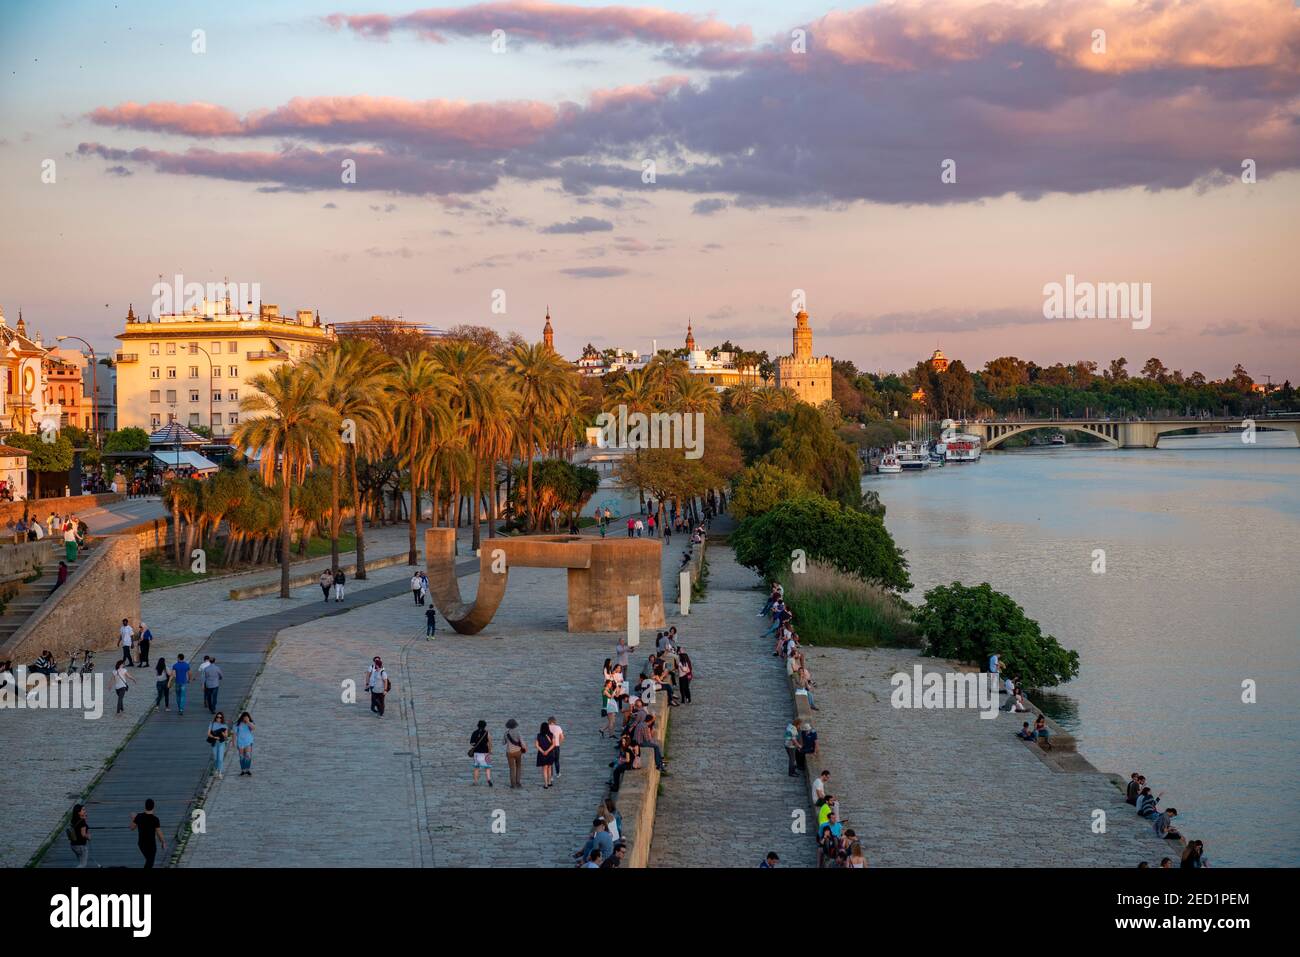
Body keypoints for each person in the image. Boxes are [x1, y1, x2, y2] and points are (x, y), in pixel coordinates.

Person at [130, 799, 164, 868]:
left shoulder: (139, 816)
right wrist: (163, 842)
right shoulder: (155, 819)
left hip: (142, 844)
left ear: (145, 806)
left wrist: (134, 818)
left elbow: (132, 828)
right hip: (151, 845)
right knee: (150, 861)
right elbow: (159, 833)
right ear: (153, 807)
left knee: (149, 861)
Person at [504, 718, 527, 788]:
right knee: (518, 767)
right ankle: (518, 782)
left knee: (511, 768)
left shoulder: (506, 733)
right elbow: (522, 743)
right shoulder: (518, 732)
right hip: (517, 752)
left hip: (509, 752)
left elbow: (503, 742)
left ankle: (512, 784)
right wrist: (525, 748)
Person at [469, 720, 493, 786]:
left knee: (476, 768)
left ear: (478, 725)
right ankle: (488, 779)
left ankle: (476, 781)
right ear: (485, 726)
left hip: (476, 753)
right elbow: (490, 742)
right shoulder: (487, 733)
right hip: (485, 753)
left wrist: (476, 744)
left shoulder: (474, 732)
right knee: (487, 767)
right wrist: (490, 750)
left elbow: (471, 743)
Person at [68, 803, 92, 868]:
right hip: (80, 846)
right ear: (79, 812)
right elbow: (83, 834)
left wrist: (84, 818)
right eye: (83, 810)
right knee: (83, 865)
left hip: (73, 845)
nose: (85, 811)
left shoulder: (74, 820)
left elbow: (78, 829)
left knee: (80, 863)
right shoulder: (82, 822)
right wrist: (88, 837)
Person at [536, 721, 557, 789]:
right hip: (550, 753)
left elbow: (536, 745)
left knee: (544, 769)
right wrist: (547, 751)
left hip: (542, 754)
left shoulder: (539, 735)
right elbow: (553, 744)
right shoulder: (551, 735)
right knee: (549, 768)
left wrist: (543, 751)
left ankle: (545, 784)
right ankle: (549, 782)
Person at [208, 711, 229, 778]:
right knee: (215, 758)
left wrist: (222, 732)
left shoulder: (224, 725)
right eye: (217, 717)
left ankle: (220, 772)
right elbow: (208, 734)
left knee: (220, 758)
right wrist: (214, 737)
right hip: (214, 742)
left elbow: (226, 736)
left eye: (220, 717)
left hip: (221, 743)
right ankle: (216, 770)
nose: (218, 718)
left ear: (222, 718)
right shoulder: (212, 724)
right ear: (216, 717)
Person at [235, 711, 256, 776]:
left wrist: (248, 722)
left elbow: (253, 728)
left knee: (248, 755)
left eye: (246, 717)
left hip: (248, 742)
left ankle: (247, 769)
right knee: (241, 757)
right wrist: (234, 742)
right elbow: (235, 733)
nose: (245, 718)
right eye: (244, 717)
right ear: (242, 717)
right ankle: (243, 770)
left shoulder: (250, 723)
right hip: (240, 742)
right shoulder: (238, 724)